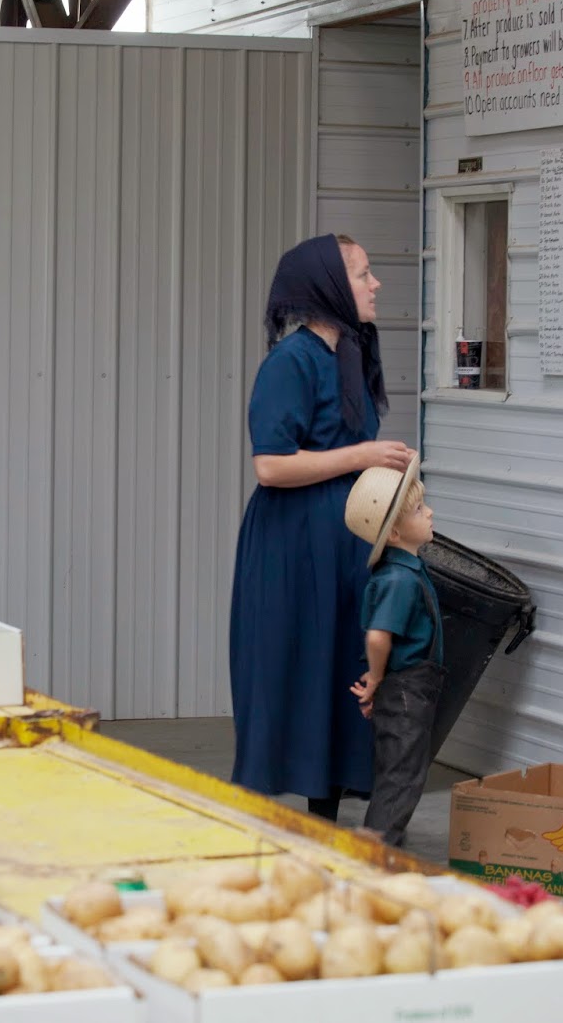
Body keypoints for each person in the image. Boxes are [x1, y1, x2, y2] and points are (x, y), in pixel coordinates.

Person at [229, 233, 416, 822]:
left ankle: (324, 813)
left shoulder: (350, 353)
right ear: (329, 286)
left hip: (343, 533)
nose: (375, 284)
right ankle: (284, 820)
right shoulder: (289, 363)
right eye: (363, 274)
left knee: (340, 662)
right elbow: (271, 465)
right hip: (293, 537)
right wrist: (364, 456)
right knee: (299, 662)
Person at [345, 457, 444, 848]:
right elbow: (377, 637)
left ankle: (384, 836)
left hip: (403, 686)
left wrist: (376, 680)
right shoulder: (400, 580)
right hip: (407, 687)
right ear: (396, 533)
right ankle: (377, 842)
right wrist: (379, 679)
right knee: (402, 771)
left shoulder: (405, 570)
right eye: (420, 509)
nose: (430, 511)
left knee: (401, 765)